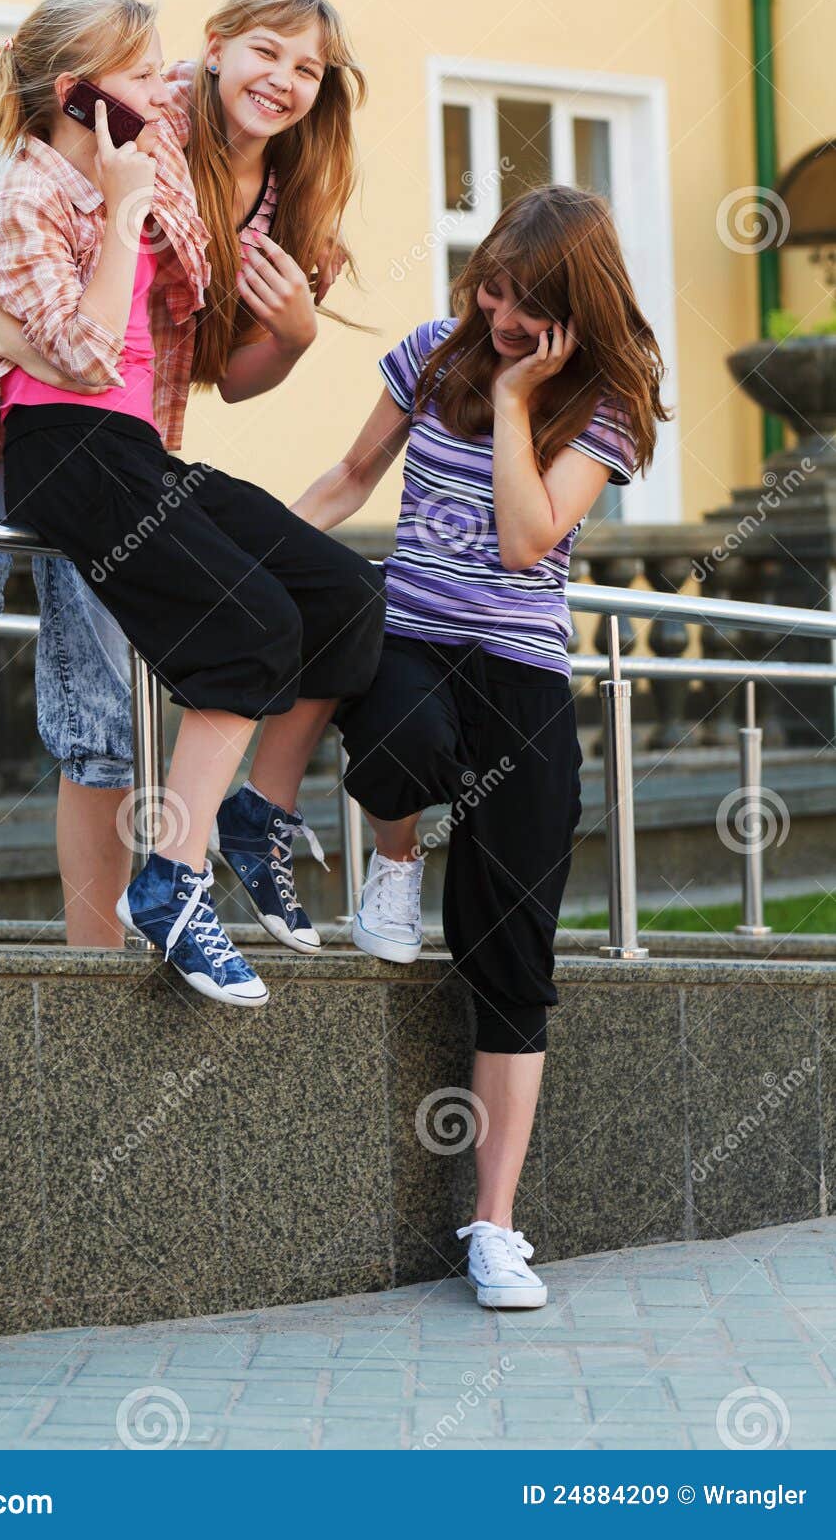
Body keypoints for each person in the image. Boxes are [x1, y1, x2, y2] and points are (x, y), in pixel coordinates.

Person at [0, 0, 368, 955]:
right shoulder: (145, 112)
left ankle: (97, 961)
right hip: (16, 385)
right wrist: (53, 355)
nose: (282, 79)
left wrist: (296, 338)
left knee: (101, 703)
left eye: (307, 67)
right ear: (213, 48)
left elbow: (210, 368)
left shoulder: (286, 199)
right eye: (266, 50)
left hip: (112, 437)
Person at [292, 184, 669, 1301]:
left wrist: (515, 399)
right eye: (491, 285)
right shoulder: (424, 354)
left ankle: (492, 1228)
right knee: (394, 749)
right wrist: (245, 551)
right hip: (408, 637)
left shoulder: (602, 402)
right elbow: (352, 476)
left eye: (525, 301)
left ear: (573, 306)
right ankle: (393, 867)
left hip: (521, 671)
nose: (498, 311)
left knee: (510, 952)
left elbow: (524, 541)